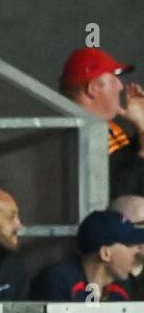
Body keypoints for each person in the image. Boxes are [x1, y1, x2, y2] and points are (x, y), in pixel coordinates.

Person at [59, 47, 144, 199]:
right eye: (112, 80)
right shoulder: (74, 138)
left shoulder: (110, 128)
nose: (120, 86)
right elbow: (120, 193)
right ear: (92, 89)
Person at [32, 209, 144, 301]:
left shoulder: (126, 285)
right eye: (130, 244)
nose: (137, 251)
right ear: (105, 254)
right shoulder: (57, 282)